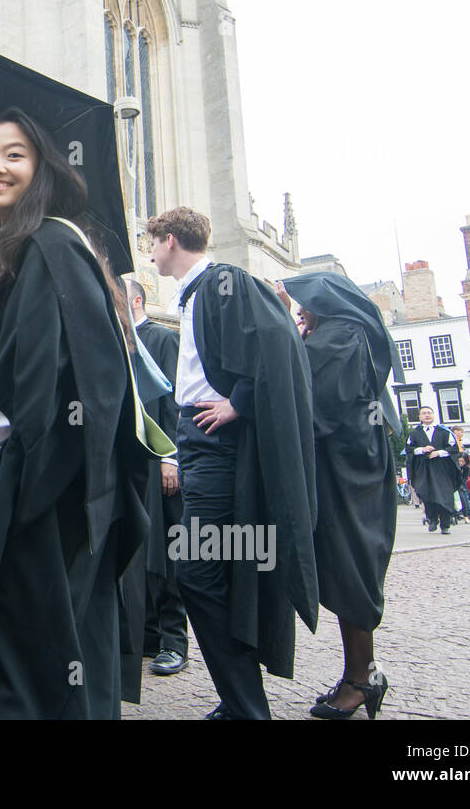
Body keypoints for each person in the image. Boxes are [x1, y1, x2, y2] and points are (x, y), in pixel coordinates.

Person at [0, 108, 173, 719]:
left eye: (14, 154)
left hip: (39, 491)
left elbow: (24, 377)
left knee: (16, 652)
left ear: (43, 169)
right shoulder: (20, 252)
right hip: (50, 487)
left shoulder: (51, 244)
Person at [145, 207, 317, 720]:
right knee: (218, 571)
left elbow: (277, 343)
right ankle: (238, 699)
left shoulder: (226, 282)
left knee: (197, 572)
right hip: (196, 440)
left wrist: (238, 402)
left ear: (169, 240)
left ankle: (247, 708)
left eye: (151, 242)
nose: (149, 252)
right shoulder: (194, 294)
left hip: (216, 443)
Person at [281, 273, 398, 719]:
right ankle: (360, 674)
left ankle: (362, 680)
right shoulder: (345, 333)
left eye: (301, 306)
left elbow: (314, 403)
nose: (298, 313)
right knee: (351, 570)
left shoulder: (341, 336)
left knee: (352, 571)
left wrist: (292, 341)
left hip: (351, 476)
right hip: (353, 468)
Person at [121, 278, 189, 679]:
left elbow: (173, 401)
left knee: (166, 551)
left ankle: (174, 639)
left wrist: (171, 458)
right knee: (139, 547)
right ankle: (146, 633)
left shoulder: (162, 338)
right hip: (132, 458)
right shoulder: (120, 342)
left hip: (159, 457)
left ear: (137, 300)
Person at [405, 407, 460, 534]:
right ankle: (432, 519)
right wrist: (422, 450)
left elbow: (454, 449)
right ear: (419, 417)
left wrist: (439, 453)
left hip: (442, 469)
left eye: (429, 413)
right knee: (426, 494)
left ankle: (445, 525)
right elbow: (408, 449)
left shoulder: (444, 431)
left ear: (434, 415)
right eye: (423, 413)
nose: (427, 415)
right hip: (423, 469)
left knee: (444, 496)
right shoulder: (414, 433)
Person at [451, 426, 470, 521]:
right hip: (458, 470)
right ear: (455, 432)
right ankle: (465, 512)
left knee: (462, 491)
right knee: (462, 491)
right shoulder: (454, 442)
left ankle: (462, 511)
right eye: (460, 431)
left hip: (461, 469)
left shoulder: (458, 442)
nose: (462, 433)